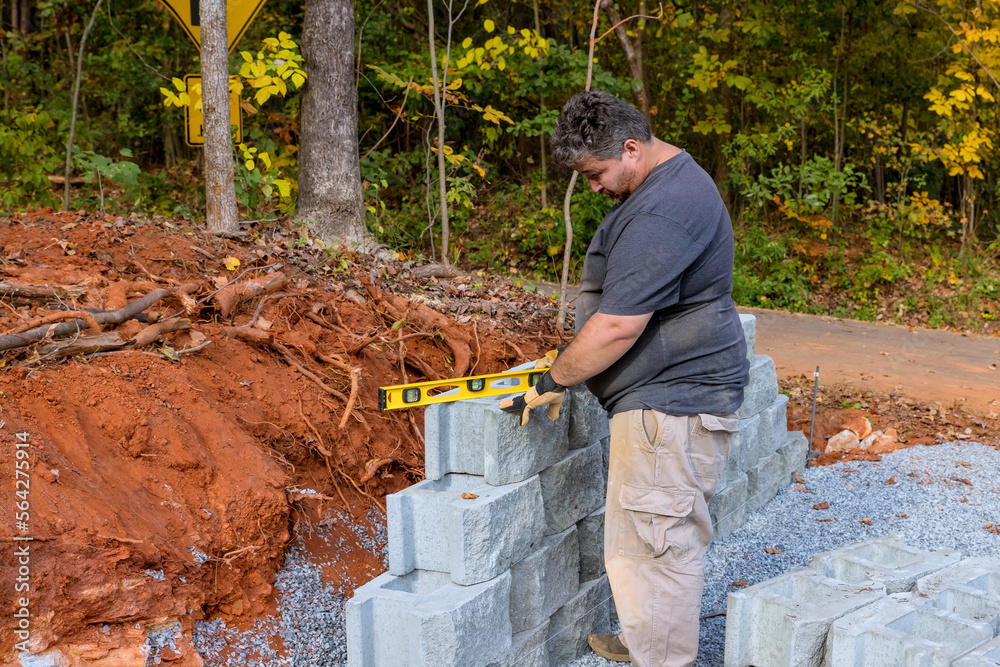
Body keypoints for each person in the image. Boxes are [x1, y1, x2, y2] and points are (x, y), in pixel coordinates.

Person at [500, 90, 750, 667]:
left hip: (673, 406)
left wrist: (554, 378)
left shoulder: (665, 209)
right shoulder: (671, 185)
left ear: (632, 149)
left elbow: (616, 326)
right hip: (669, 401)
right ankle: (649, 642)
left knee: (657, 546)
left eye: (596, 173)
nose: (593, 187)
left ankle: (661, 656)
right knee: (638, 543)